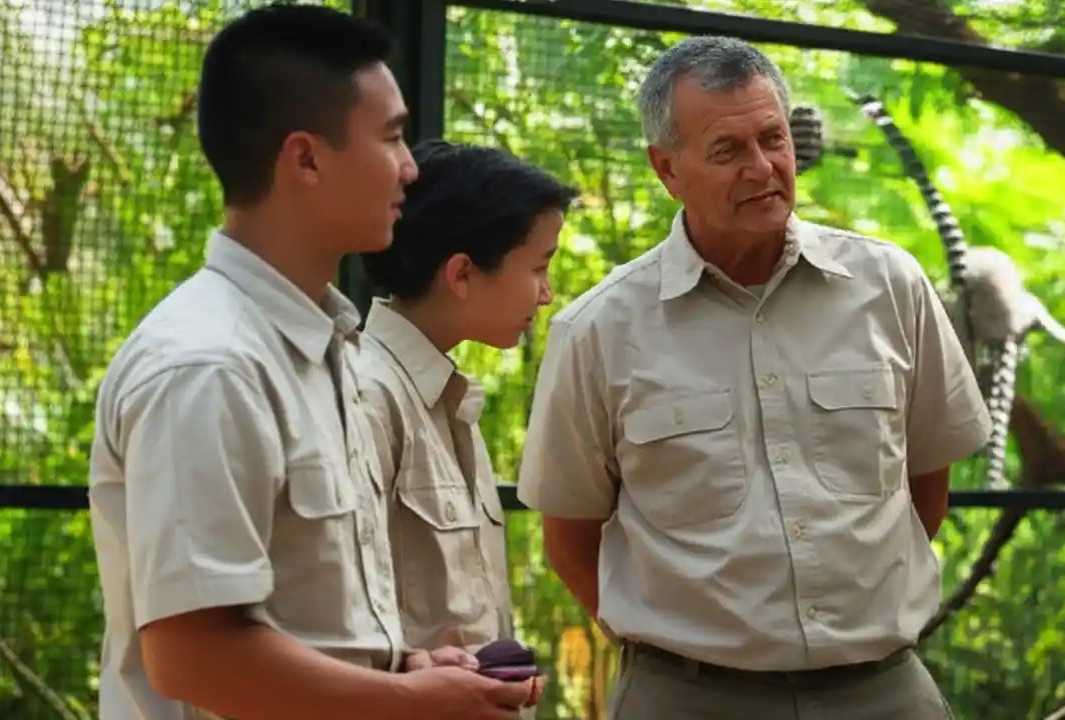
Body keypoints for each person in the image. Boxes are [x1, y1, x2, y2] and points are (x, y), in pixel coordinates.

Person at [516, 35, 992, 719]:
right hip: (687, 699)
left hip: (883, 691)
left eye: (774, 139)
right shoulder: (598, 331)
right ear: (666, 169)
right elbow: (568, 538)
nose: (763, 167)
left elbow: (927, 488)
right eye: (727, 150)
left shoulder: (890, 286)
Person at [88, 5, 538, 719]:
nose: (410, 167)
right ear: (305, 158)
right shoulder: (209, 365)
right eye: (391, 137)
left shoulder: (328, 350)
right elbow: (194, 656)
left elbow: (311, 619)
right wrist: (407, 701)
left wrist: (405, 665)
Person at [354, 139, 575, 660]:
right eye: (539, 267)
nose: (546, 294)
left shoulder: (446, 399)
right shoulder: (368, 398)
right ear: (461, 274)